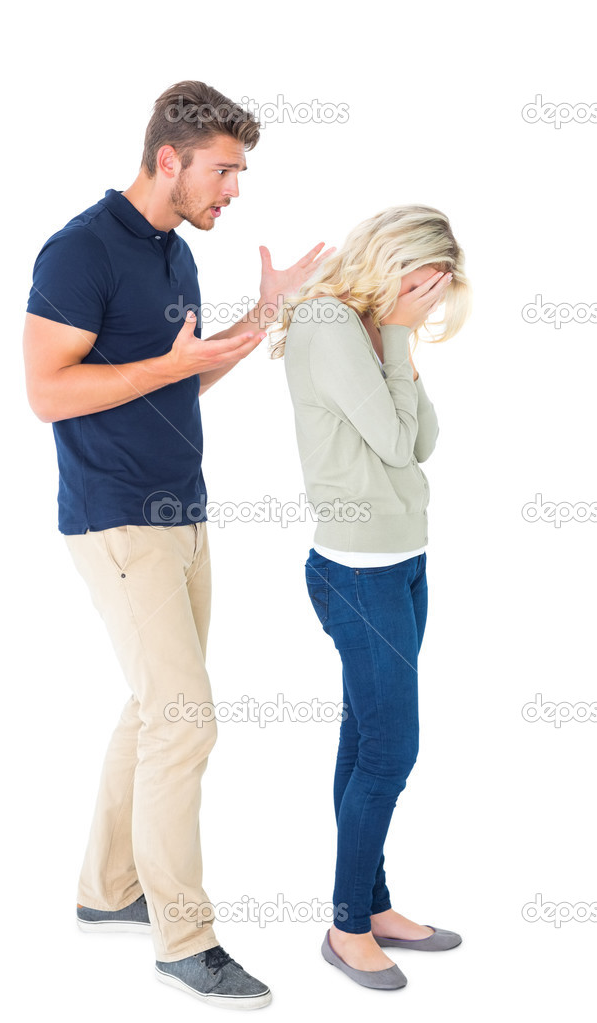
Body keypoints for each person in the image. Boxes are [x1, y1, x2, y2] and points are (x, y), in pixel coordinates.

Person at [22, 79, 332, 1009]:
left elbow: (176, 383)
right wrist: (168, 364)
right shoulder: (80, 250)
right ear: (170, 159)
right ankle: (182, 938)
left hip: (186, 516)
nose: (233, 191)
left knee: (157, 706)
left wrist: (263, 314)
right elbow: (47, 392)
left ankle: (108, 886)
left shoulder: (174, 255)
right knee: (187, 719)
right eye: (225, 172)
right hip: (118, 518)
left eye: (238, 174)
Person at [270, 205, 472, 991]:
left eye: (435, 289)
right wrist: (396, 332)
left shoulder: (369, 324)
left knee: (365, 740)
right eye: (418, 282)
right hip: (357, 570)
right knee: (392, 750)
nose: (424, 299)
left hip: (404, 561)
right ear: (389, 260)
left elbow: (422, 442)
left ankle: (374, 904)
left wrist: (397, 333)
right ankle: (347, 924)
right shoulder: (330, 321)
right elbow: (395, 443)